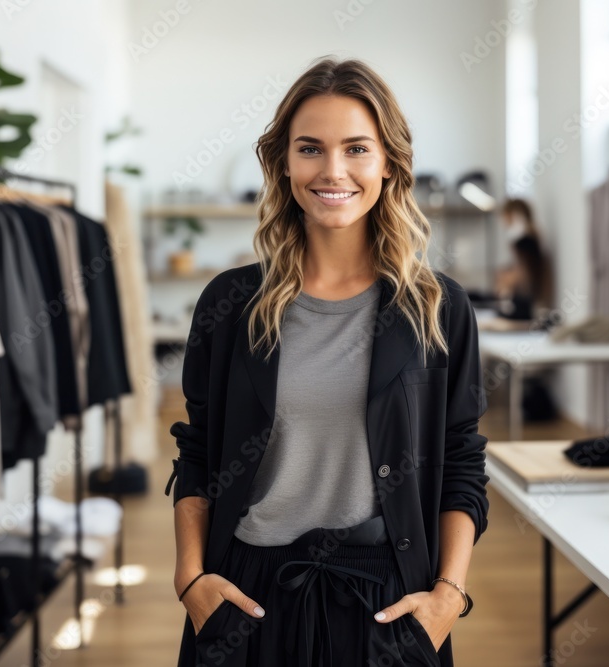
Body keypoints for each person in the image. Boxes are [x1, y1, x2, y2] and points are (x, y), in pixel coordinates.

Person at [166, 56, 489, 667]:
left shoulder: (438, 308)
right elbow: (199, 451)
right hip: (244, 594)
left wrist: (449, 594)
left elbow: (461, 459)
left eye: (357, 149)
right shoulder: (230, 304)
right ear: (283, 163)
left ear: (388, 162)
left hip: (388, 598)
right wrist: (190, 578)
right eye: (310, 148)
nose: (332, 170)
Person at [493, 198, 550, 321]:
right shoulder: (528, 241)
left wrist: (507, 281)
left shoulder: (525, 242)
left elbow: (524, 276)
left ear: (515, 216)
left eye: (506, 217)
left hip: (525, 305)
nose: (504, 222)